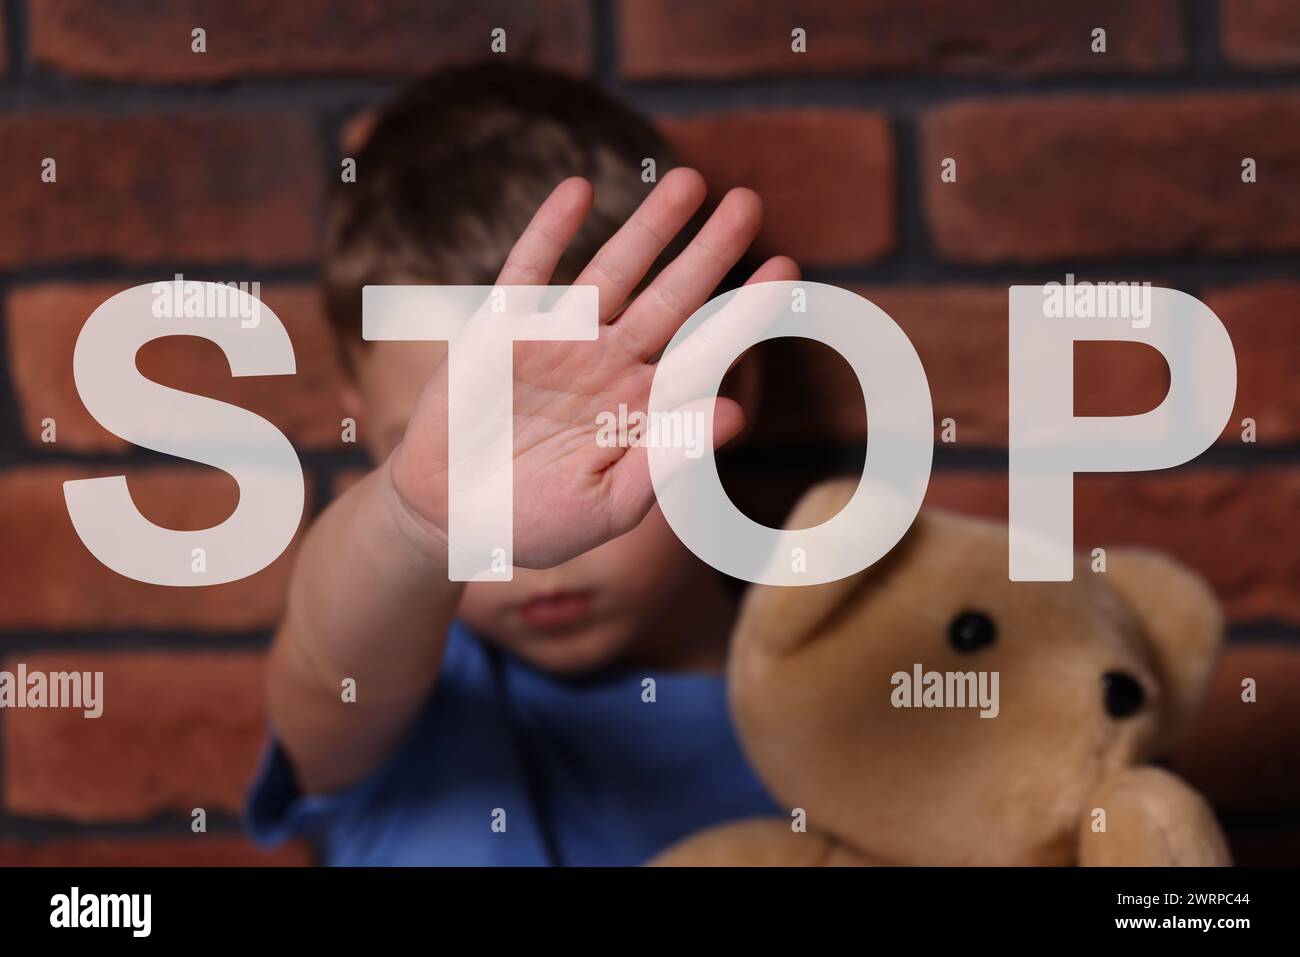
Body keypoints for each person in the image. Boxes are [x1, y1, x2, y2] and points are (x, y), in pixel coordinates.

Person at [247, 62, 800, 865]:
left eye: (602, 434)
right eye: (451, 453)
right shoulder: (406, 706)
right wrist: (413, 519)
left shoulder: (857, 697)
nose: (530, 545)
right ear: (364, 428)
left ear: (728, 383)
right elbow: (324, 665)